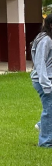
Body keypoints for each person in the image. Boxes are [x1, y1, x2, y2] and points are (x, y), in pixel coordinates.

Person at [30, 14, 52, 148]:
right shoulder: (45, 40)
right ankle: (45, 142)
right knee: (49, 110)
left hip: (48, 79)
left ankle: (41, 125)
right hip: (44, 80)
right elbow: (40, 63)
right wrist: (46, 85)